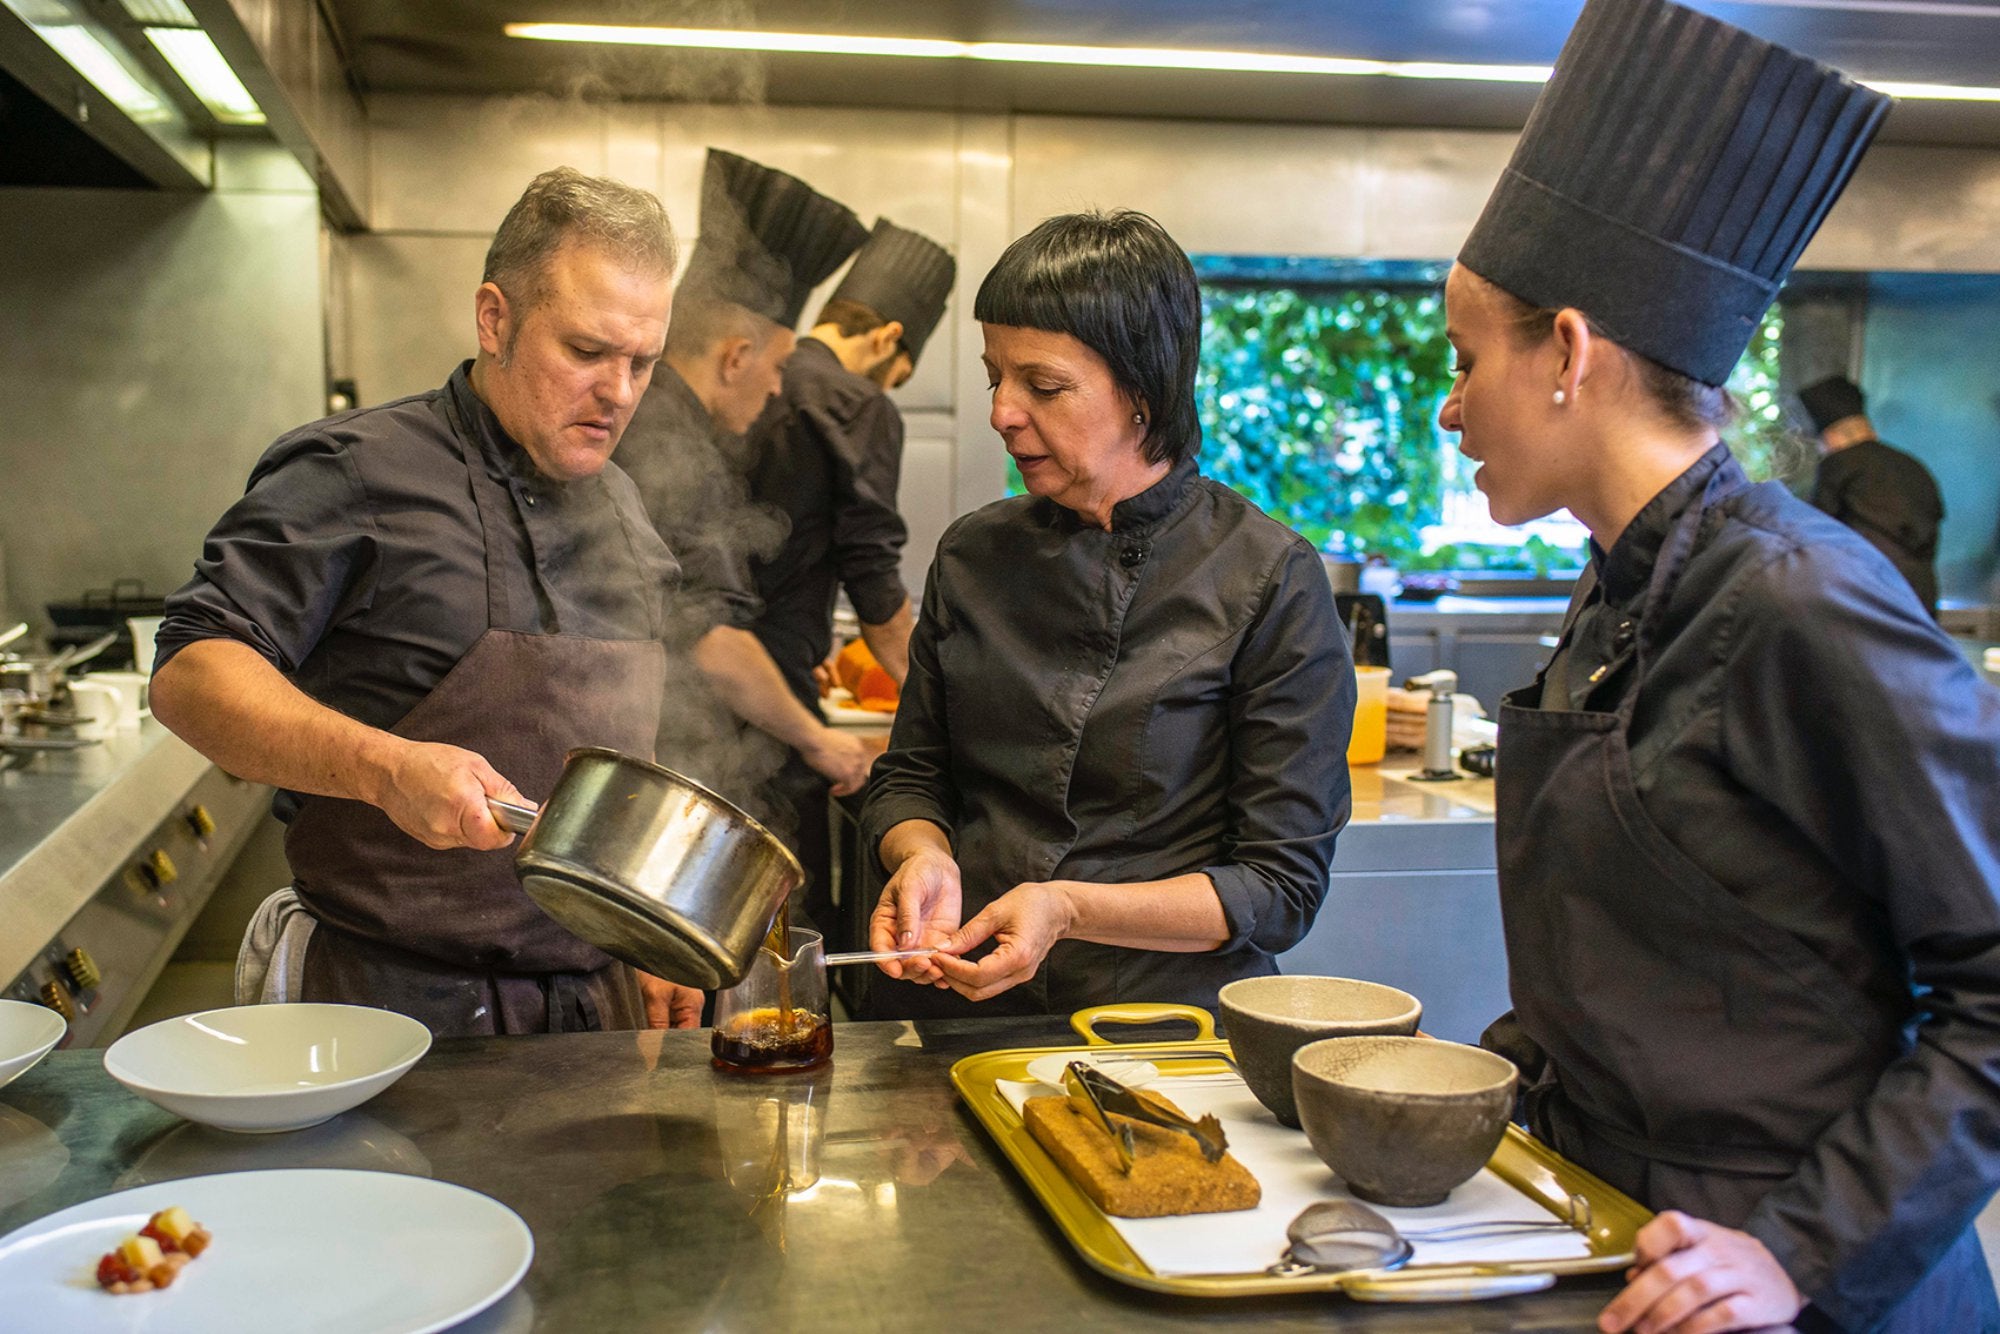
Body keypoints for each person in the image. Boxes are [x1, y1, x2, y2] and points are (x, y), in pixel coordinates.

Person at [1443, 2, 2000, 1331]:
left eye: (1466, 360)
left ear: (1566, 352)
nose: (1451, 406)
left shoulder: (1802, 597)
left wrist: (1799, 1251)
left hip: (1797, 1282)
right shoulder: (1618, 584)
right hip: (1626, 1239)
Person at [151, 167, 704, 1035]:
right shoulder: (353, 471)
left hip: (590, 1020)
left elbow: (618, 760)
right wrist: (385, 768)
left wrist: (642, 935)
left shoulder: (627, 515)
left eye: (643, 363)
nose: (620, 392)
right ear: (495, 318)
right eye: (588, 352)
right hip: (383, 1010)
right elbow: (190, 672)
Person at [859, 210, 1354, 1018]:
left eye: (1043, 386)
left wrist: (1069, 907)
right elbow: (913, 775)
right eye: (996, 378)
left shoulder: (1267, 578)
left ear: (1144, 393)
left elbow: (1277, 888)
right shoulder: (972, 556)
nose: (1002, 414)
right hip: (954, 1006)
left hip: (1153, 1033)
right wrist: (923, 855)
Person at [616, 149, 876, 810]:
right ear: (737, 356)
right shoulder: (675, 443)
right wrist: (818, 738)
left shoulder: (651, 415)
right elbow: (712, 642)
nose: (778, 389)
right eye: (780, 366)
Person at [741, 219, 956, 941]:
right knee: (785, 928)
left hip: (697, 696)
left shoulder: (754, 376)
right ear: (888, 336)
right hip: (772, 713)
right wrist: (947, 703)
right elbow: (876, 585)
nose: (889, 388)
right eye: (898, 373)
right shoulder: (857, 403)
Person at [1799, 373, 1945, 615]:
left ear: (1830, 436)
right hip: (1921, 596)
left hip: (1869, 594)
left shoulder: (1839, 463)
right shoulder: (1911, 465)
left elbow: (1815, 532)